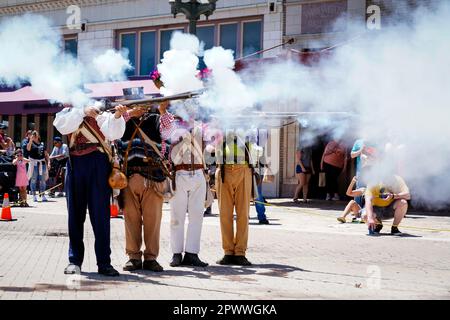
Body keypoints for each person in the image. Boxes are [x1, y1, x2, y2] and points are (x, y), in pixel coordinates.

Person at [54, 103, 127, 277]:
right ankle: (74, 261)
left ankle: (104, 262)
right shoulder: (70, 111)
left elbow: (114, 133)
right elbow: (62, 126)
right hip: (76, 164)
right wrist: (82, 111)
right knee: (75, 216)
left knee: (101, 216)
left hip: (98, 163)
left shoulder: (102, 110)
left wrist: (117, 116)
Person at [118, 102, 174, 273]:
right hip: (128, 177)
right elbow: (113, 132)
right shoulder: (121, 120)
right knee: (131, 220)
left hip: (153, 177)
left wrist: (163, 110)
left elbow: (169, 130)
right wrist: (128, 114)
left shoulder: (157, 119)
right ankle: (133, 257)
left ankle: (151, 258)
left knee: (153, 220)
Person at [168, 117, 208, 267]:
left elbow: (213, 142)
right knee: (176, 217)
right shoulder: (171, 125)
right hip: (178, 174)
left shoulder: (202, 126)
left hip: (198, 173)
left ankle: (192, 253)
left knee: (197, 216)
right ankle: (176, 253)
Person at [215, 130, 259, 266]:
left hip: (243, 169)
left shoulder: (249, 128)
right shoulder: (220, 128)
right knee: (224, 214)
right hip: (224, 170)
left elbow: (256, 149)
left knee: (243, 214)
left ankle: (240, 252)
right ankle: (228, 252)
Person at [26, 131, 50, 202]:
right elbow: (28, 149)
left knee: (42, 180)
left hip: (42, 163)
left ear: (38, 136)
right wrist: (30, 139)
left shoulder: (42, 144)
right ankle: (34, 195)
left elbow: (46, 154)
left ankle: (43, 195)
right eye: (34, 134)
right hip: (34, 163)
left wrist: (48, 163)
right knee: (33, 179)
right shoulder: (31, 143)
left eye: (36, 134)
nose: (35, 135)